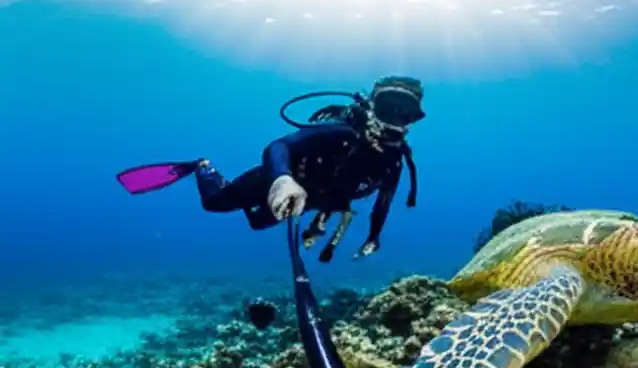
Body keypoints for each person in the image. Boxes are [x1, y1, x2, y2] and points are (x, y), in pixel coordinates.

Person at [117, 76, 424, 261]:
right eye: (388, 107)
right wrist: (282, 179)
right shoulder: (342, 133)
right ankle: (202, 167)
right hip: (274, 181)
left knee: (256, 223)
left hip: (308, 203)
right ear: (371, 105)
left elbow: (384, 201)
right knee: (215, 203)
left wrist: (374, 237)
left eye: (406, 112)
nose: (395, 118)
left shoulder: (394, 161)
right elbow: (279, 147)